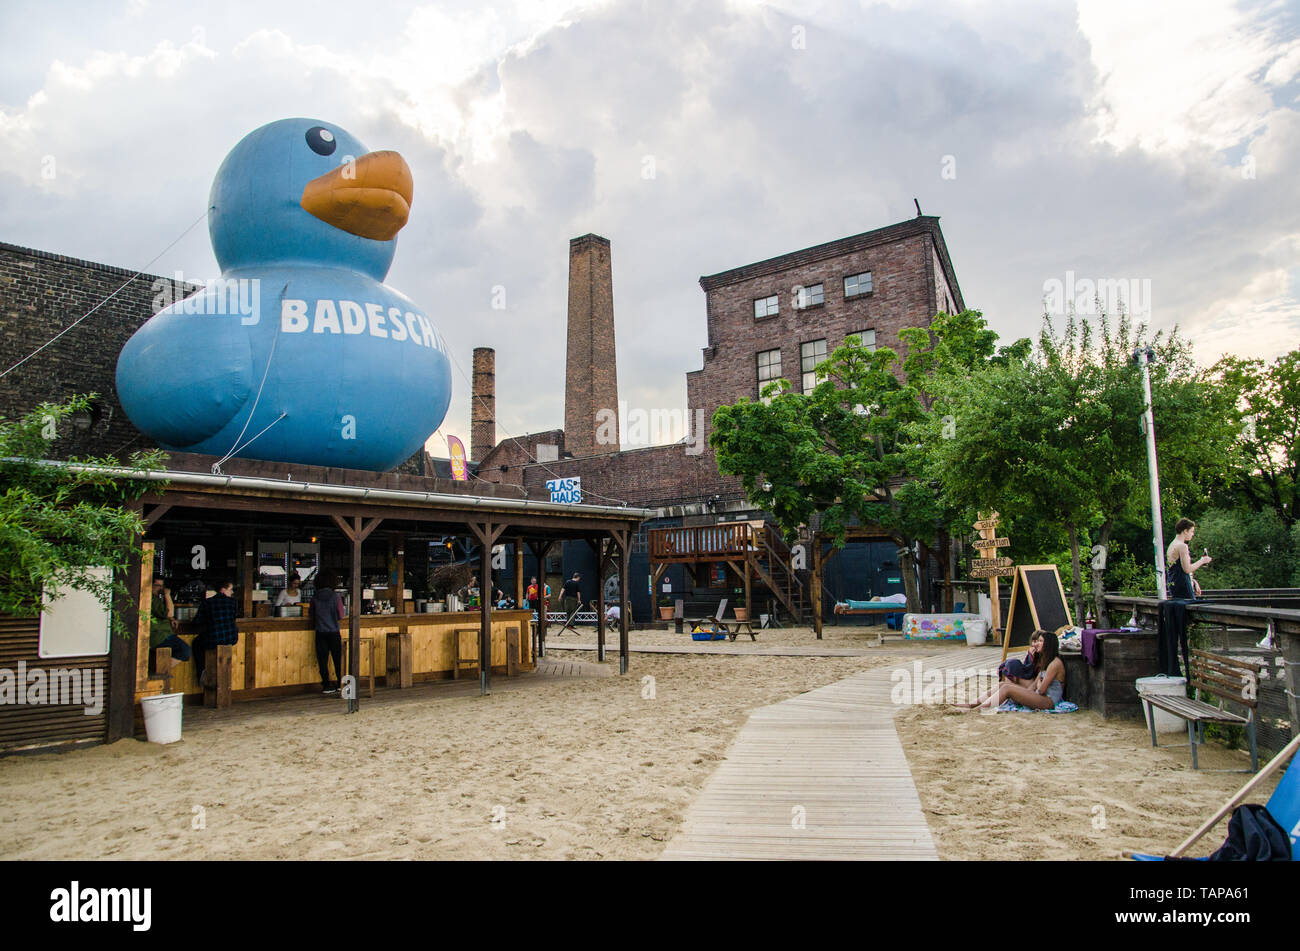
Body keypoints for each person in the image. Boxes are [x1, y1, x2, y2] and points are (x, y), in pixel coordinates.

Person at [962, 629, 1065, 711]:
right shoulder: (1046, 661)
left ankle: (979, 709)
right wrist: (1023, 694)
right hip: (1040, 696)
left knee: (1007, 688)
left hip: (1048, 701)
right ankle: (971, 704)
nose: (1036, 644)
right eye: (1036, 641)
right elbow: (1034, 685)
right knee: (1003, 684)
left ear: (1048, 644)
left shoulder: (1054, 664)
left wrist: (1037, 685)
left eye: (1040, 641)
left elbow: (1041, 689)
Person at [193, 579, 239, 688]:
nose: (232, 592)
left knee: (196, 643)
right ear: (223, 590)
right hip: (231, 638)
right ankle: (218, 681)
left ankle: (202, 671)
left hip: (213, 639)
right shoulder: (233, 603)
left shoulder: (207, 602)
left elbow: (196, 622)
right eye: (230, 590)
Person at [310, 570, 347, 695]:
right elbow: (341, 615)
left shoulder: (315, 597)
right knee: (337, 659)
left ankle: (326, 685)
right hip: (333, 631)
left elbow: (311, 615)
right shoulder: (335, 597)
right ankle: (340, 684)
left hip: (320, 632)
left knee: (322, 660)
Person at [148, 577, 192, 674]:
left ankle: (157, 671)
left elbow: (164, 614)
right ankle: (158, 672)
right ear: (150, 585)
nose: (161, 589)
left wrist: (171, 619)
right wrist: (167, 594)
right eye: (158, 586)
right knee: (184, 650)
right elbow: (169, 613)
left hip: (161, 634)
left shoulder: (154, 599)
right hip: (159, 635)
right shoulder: (151, 598)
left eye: (162, 586)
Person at [1166, 517, 1211, 600]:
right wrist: (1202, 561)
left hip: (1174, 584)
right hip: (1182, 585)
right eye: (1192, 531)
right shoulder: (1182, 546)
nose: (1193, 534)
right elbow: (1187, 569)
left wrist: (1193, 581)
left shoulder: (1171, 545)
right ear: (1185, 531)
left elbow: (1177, 570)